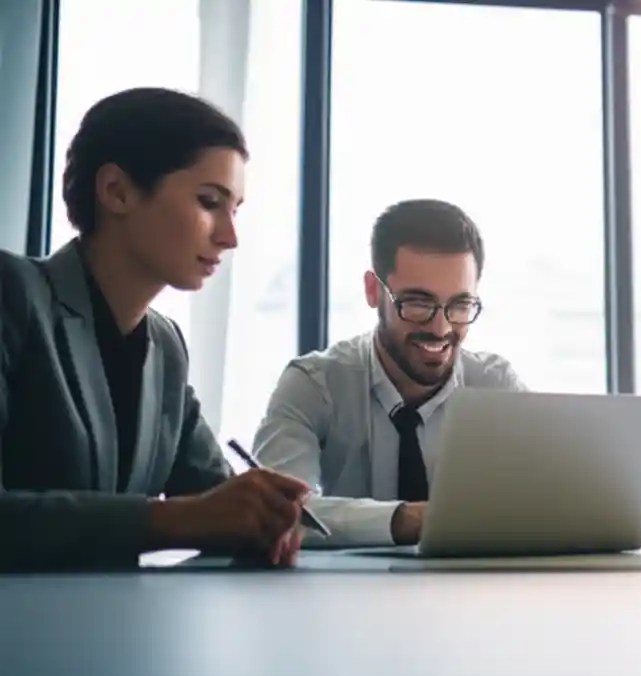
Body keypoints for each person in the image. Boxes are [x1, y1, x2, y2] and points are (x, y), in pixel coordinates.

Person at [0, 88, 310, 570]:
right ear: (116, 191)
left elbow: (216, 497)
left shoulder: (164, 346)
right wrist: (172, 520)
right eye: (210, 202)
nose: (229, 237)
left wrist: (266, 516)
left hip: (115, 632)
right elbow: (194, 514)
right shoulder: (13, 295)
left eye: (235, 210)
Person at [254, 199, 524, 546]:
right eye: (417, 303)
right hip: (336, 597)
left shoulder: (495, 387)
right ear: (372, 291)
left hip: (465, 596)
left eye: (460, 304)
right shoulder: (314, 385)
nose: (441, 328)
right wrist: (407, 520)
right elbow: (280, 514)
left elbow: (544, 504)